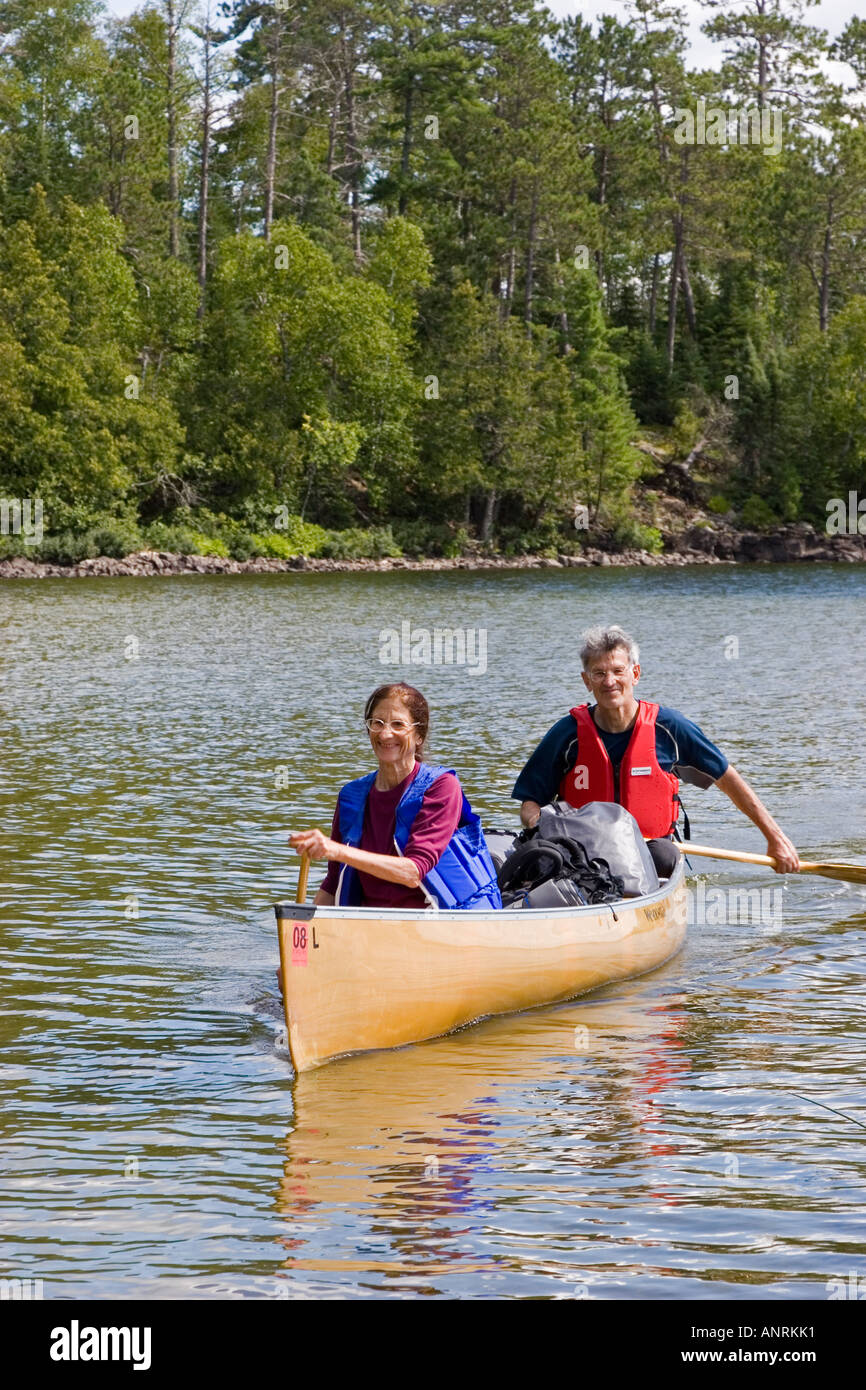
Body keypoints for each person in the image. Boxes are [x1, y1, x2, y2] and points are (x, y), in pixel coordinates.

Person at [512, 624, 800, 874]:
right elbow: (529, 802)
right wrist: (540, 824)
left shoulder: (670, 728)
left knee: (664, 857)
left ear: (635, 674)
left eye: (618, 670)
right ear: (586, 681)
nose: (609, 681)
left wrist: (775, 838)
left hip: (651, 850)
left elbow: (727, 779)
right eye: (599, 673)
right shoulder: (567, 734)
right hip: (583, 849)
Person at [289, 682, 502, 910]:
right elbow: (332, 885)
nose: (385, 733)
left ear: (419, 735)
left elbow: (413, 871)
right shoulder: (350, 795)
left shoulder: (442, 787)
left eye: (398, 724)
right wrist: (302, 929)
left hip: (438, 925)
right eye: (377, 723)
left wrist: (336, 850)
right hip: (370, 925)